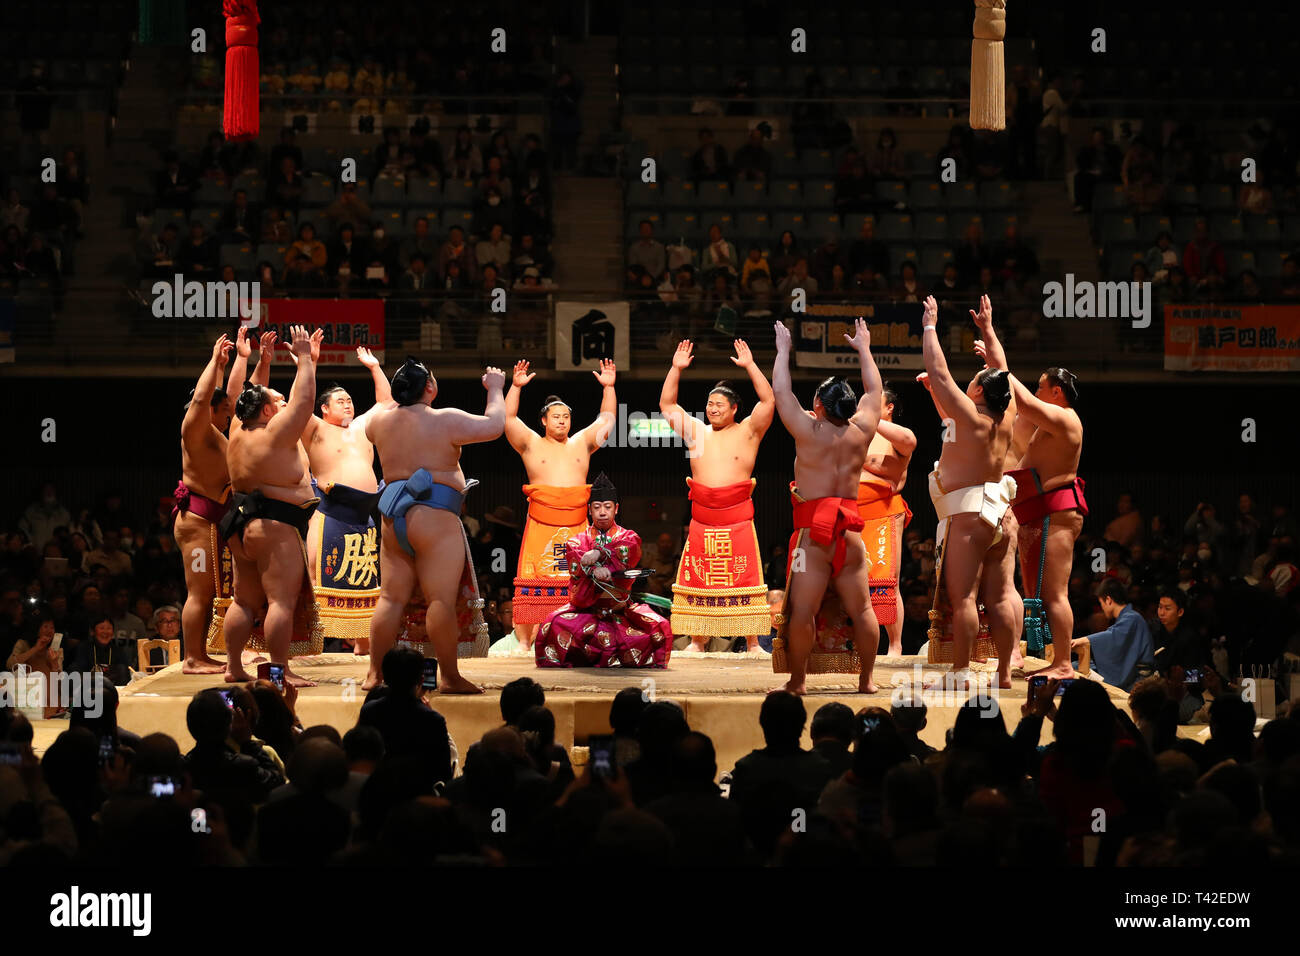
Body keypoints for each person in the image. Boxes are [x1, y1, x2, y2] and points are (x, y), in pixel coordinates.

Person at [363, 358, 506, 693]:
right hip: (434, 516)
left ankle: (374, 674)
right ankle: (450, 677)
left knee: (390, 599)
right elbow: (494, 425)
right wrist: (496, 388)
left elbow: (384, 407)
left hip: (392, 516)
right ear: (429, 387)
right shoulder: (445, 420)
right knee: (439, 599)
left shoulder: (377, 423)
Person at [772, 318, 882, 694]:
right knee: (863, 609)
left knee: (803, 611)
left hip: (812, 539)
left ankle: (798, 681)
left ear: (817, 404)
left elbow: (781, 393)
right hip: (849, 536)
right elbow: (874, 389)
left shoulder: (807, 430)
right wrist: (864, 348)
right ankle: (867, 680)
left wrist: (783, 350)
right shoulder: (863, 428)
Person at [916, 295, 1018, 687]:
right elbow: (1002, 369)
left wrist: (929, 325)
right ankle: (1005, 673)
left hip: (971, 515)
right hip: (999, 512)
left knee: (964, 597)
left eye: (975, 380)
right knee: (1001, 595)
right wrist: (988, 331)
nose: (971, 381)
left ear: (976, 392)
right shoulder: (1003, 415)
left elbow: (939, 371)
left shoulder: (972, 415)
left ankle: (960, 672)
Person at [220, 326, 324, 687]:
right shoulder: (275, 433)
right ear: (267, 411)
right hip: (275, 526)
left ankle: (233, 667)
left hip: (241, 524)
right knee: (281, 601)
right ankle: (280, 671)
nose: (284, 405)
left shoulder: (237, 426)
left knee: (244, 601)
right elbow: (304, 403)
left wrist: (264, 361)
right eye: (277, 402)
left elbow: (251, 395)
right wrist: (306, 359)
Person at [660, 340, 775, 653]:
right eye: (710, 404)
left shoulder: (749, 430)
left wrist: (751, 365)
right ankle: (698, 640)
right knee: (702, 578)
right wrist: (676, 368)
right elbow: (668, 406)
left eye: (719, 405)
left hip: (737, 517)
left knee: (744, 575)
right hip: (703, 518)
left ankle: (752, 641)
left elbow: (768, 402)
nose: (712, 408)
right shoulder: (696, 431)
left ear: (734, 409)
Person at [504, 357, 617, 649]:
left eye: (565, 416)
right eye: (555, 416)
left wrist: (609, 387)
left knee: (577, 582)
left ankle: (578, 638)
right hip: (541, 523)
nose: (561, 421)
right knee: (532, 582)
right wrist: (515, 387)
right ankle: (526, 643)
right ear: (543, 420)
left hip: (577, 524)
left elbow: (607, 421)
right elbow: (509, 420)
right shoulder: (531, 443)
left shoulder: (581, 442)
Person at [290, 347, 393, 655]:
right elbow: (298, 404)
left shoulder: (362, 426)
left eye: (349, 400)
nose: (348, 404)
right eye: (340, 401)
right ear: (324, 408)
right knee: (316, 573)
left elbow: (386, 402)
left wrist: (374, 367)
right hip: (329, 511)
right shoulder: (316, 429)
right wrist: (308, 365)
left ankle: (363, 645)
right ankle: (310, 645)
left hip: (365, 516)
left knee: (365, 579)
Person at [534, 473, 672, 668]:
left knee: (659, 626)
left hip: (620, 612)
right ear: (589, 510)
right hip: (587, 612)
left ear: (616, 509)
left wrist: (599, 553)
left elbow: (628, 549)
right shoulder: (577, 541)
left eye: (607, 507)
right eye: (597, 507)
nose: (602, 512)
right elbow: (577, 559)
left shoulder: (628, 537)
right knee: (553, 624)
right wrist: (592, 570)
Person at [1003, 364, 1087, 680]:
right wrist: (988, 334)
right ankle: (1058, 660)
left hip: (1057, 511)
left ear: (1057, 391)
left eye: (1041, 386)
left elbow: (1023, 401)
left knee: (1055, 593)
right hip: (1040, 511)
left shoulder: (1065, 417)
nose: (1037, 391)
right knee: (1044, 594)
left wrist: (1001, 371)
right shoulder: (1045, 425)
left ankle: (1064, 663)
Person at [173, 332, 250, 674]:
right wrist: (212, 361)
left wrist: (232, 362)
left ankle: (201, 653)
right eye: (226, 410)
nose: (231, 413)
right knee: (199, 593)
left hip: (216, 518)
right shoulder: (194, 429)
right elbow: (205, 398)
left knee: (211, 593)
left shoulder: (217, 434)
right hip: (198, 519)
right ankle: (192, 658)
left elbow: (226, 393)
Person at [356, 645, 454, 786]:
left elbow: (359, 758)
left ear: (384, 677)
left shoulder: (369, 710)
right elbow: (443, 773)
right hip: (419, 792)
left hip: (378, 790)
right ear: (421, 679)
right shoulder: (432, 719)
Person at [1068, 580, 1154, 692]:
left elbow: (1112, 636)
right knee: (1076, 665)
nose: (1102, 608)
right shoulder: (1127, 617)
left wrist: (1083, 640)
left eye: (1101, 603)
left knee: (1078, 669)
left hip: (1137, 678)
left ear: (1108, 600)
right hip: (1129, 670)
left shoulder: (1132, 617)